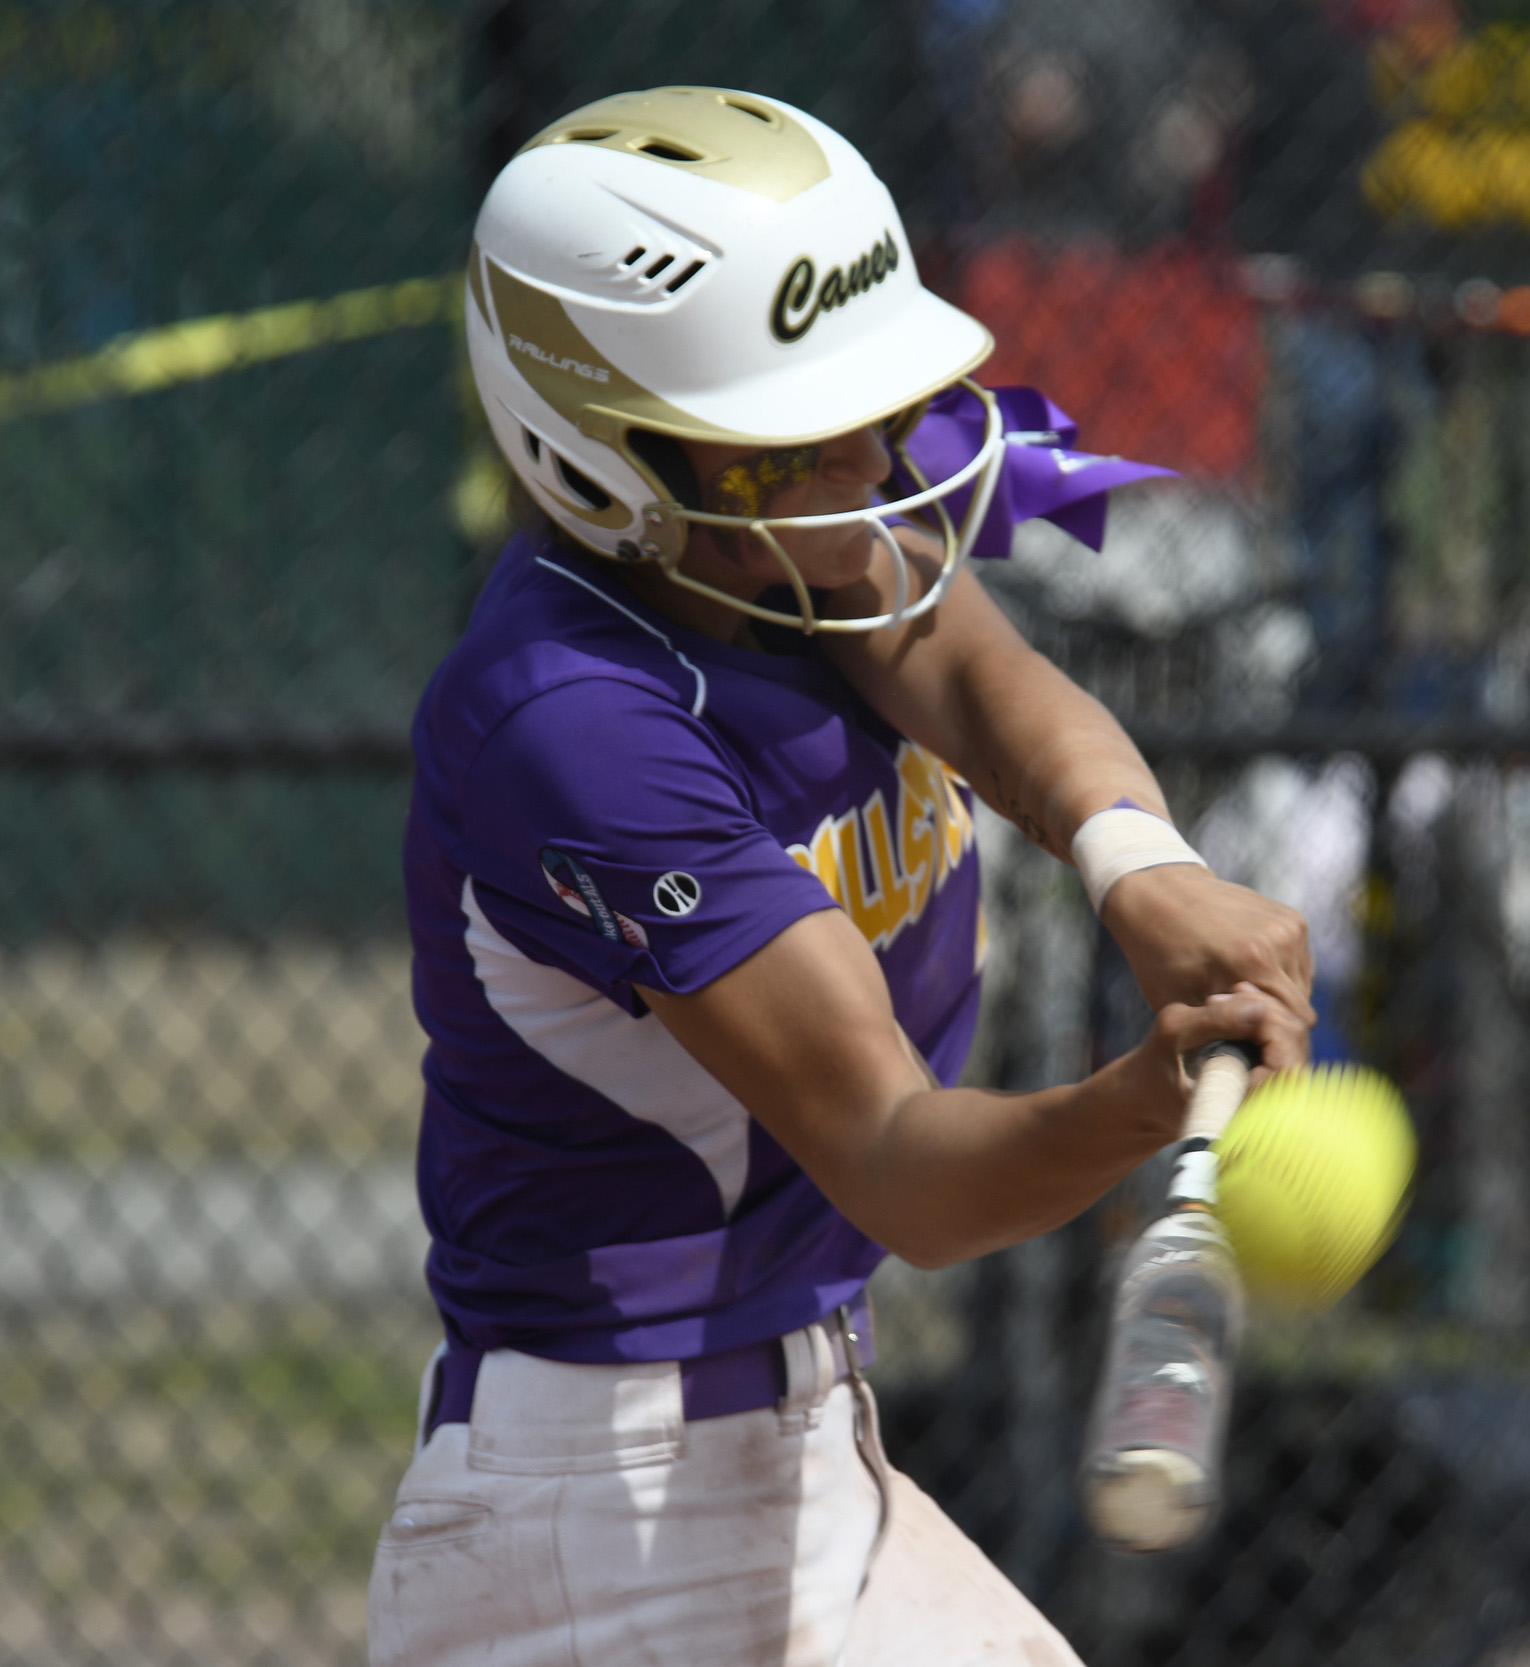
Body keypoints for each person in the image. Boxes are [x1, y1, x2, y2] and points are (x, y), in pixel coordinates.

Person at [368, 85, 1313, 1667]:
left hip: (803, 1447)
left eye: (869, 410)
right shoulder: (576, 722)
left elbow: (953, 655)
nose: (877, 470)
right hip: (606, 1538)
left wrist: (1133, 862)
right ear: (605, 466)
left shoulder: (779, 530)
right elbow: (901, 1162)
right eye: (791, 442)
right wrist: (1140, 1105)